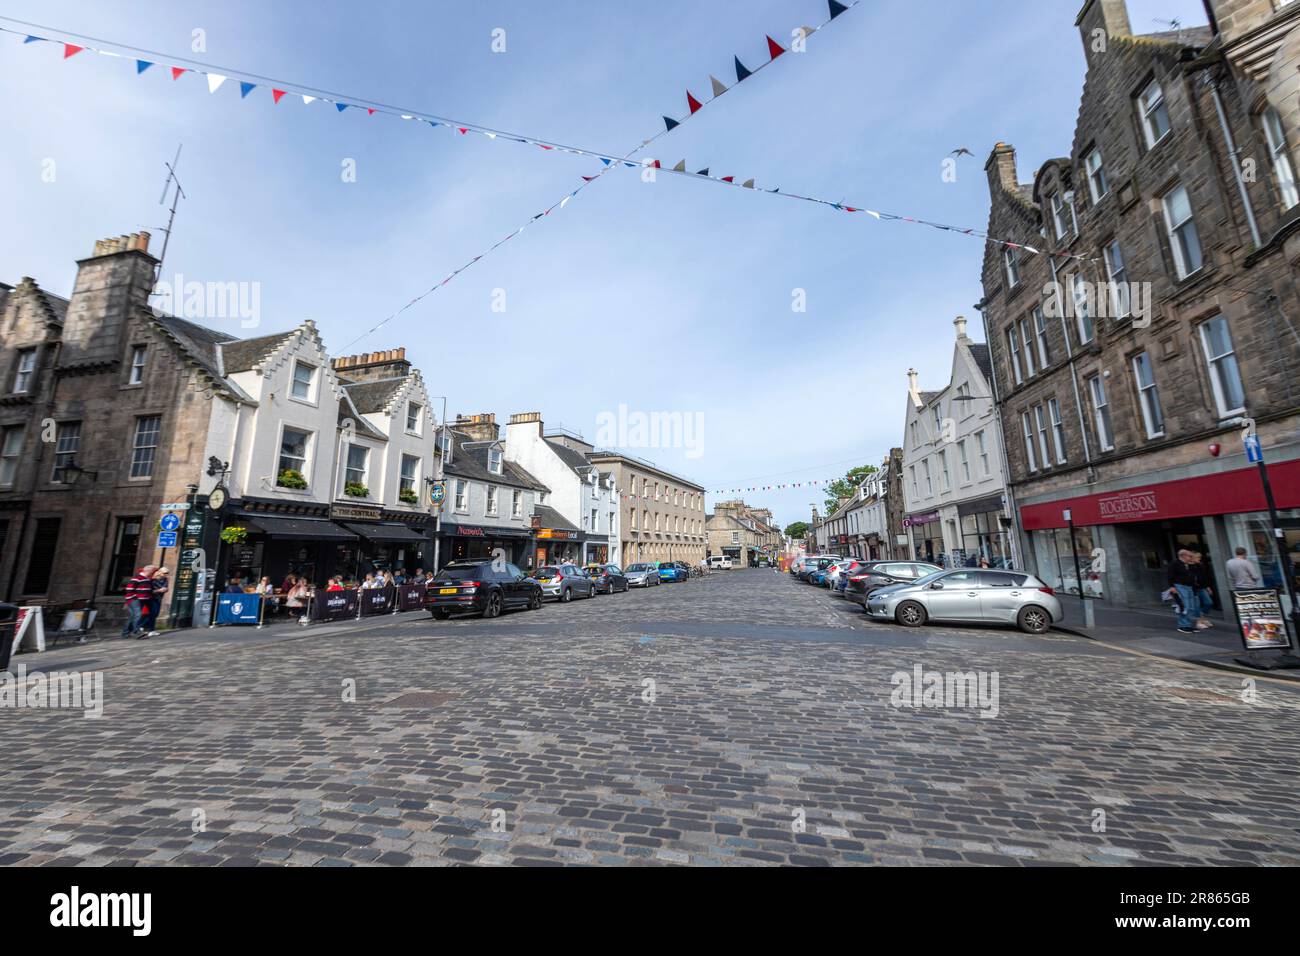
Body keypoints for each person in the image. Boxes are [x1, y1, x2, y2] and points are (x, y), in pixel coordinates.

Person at [1165, 549, 1199, 634]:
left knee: (1191, 607)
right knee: (1184, 606)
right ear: (1183, 556)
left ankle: (1188, 625)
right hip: (1180, 586)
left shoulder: (1187, 565)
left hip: (1189, 586)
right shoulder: (1174, 564)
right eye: (1189, 556)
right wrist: (1172, 587)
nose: (1191, 558)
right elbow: (1169, 575)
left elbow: (1195, 573)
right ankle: (1182, 625)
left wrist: (1192, 564)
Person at [121, 565, 155, 638]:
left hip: (141, 600)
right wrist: (136, 598)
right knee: (138, 614)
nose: (153, 572)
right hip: (134, 600)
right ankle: (136, 632)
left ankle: (125, 632)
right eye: (153, 571)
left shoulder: (146, 579)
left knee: (133, 616)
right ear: (148, 571)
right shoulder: (137, 578)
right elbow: (129, 589)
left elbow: (147, 590)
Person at [142, 567, 170, 639]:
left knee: (155, 614)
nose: (166, 575)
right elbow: (149, 591)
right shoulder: (152, 580)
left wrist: (166, 589)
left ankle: (147, 628)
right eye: (165, 573)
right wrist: (158, 590)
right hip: (151, 598)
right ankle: (146, 628)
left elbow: (166, 587)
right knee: (153, 613)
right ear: (160, 572)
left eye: (167, 573)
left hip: (159, 598)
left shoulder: (165, 579)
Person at [1189, 551, 1215, 629]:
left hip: (1202, 587)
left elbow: (1204, 577)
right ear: (1193, 558)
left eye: (1200, 557)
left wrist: (1208, 587)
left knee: (1209, 603)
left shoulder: (1200, 566)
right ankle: (1199, 622)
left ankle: (1202, 617)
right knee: (1197, 605)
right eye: (1198, 557)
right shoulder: (1189, 566)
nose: (1199, 559)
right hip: (1193, 588)